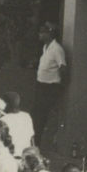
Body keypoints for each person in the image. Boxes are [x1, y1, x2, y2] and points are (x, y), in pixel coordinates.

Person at [32, 21, 66, 149]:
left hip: (50, 88)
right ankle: (35, 143)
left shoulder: (57, 49)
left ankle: (38, 146)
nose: (40, 34)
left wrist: (59, 85)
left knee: (41, 116)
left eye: (43, 32)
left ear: (50, 34)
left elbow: (63, 67)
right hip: (41, 85)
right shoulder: (46, 47)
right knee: (36, 115)